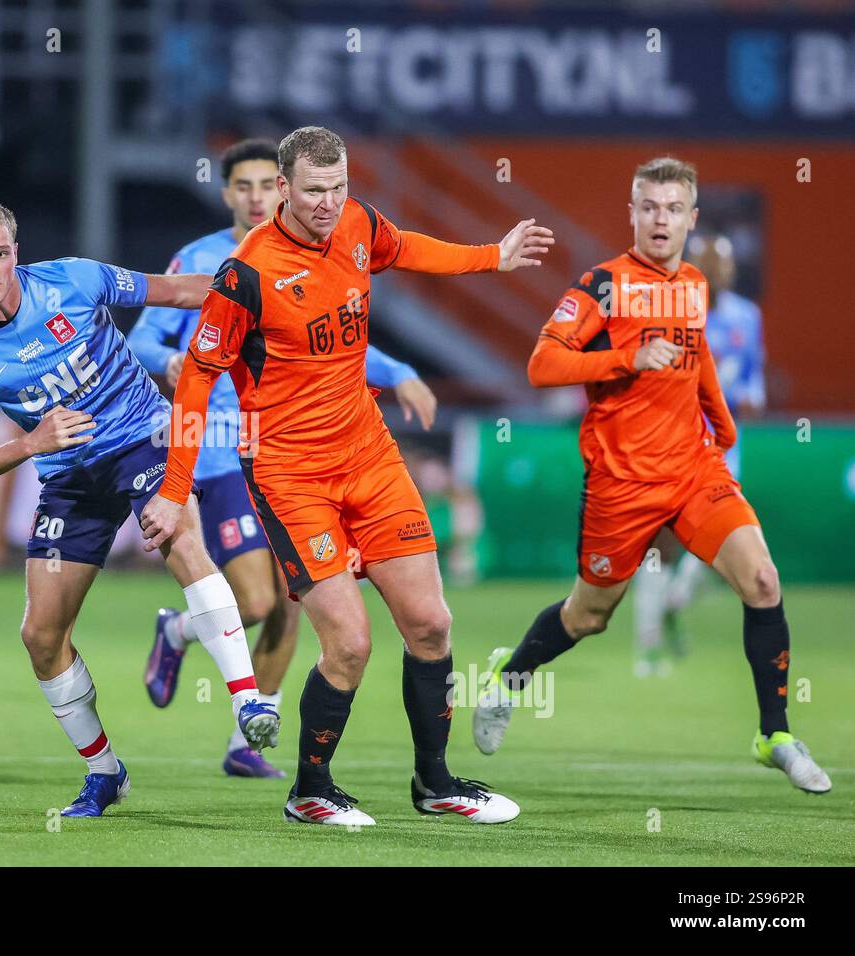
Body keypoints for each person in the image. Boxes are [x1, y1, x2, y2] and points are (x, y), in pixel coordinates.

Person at [140, 126, 552, 825]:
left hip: (370, 456)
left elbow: (407, 247)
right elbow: (196, 385)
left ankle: (436, 783)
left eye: (338, 188)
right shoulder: (246, 274)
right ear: (284, 187)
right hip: (290, 474)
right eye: (313, 191)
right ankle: (309, 790)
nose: (329, 204)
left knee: (430, 624)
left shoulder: (357, 222)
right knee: (350, 643)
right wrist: (175, 492)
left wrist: (494, 256)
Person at [472, 158, 830, 795]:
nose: (660, 219)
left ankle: (773, 733)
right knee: (588, 617)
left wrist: (721, 423)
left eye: (673, 209)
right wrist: (625, 356)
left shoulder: (694, 283)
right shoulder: (603, 285)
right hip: (621, 484)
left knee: (763, 579)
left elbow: (698, 359)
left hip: (694, 469)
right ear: (632, 213)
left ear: (691, 219)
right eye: (649, 207)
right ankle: (510, 675)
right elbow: (542, 364)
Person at [0, 201, 279, 819]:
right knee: (40, 635)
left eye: (2, 253)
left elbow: (173, 290)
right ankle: (105, 772)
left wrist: (258, 293)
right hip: (68, 476)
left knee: (181, 541)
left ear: (17, 251)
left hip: (144, 435)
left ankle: (248, 700)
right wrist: (32, 443)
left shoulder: (73, 279)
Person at [129, 138, 437, 779]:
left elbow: (328, 342)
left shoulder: (324, 246)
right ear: (226, 194)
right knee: (260, 600)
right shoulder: (214, 260)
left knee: (296, 600)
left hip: (299, 448)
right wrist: (170, 362)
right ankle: (183, 630)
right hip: (223, 452)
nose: (256, 196)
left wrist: (400, 370)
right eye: (243, 186)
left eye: (267, 184)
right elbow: (144, 337)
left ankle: (249, 737)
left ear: (284, 188)